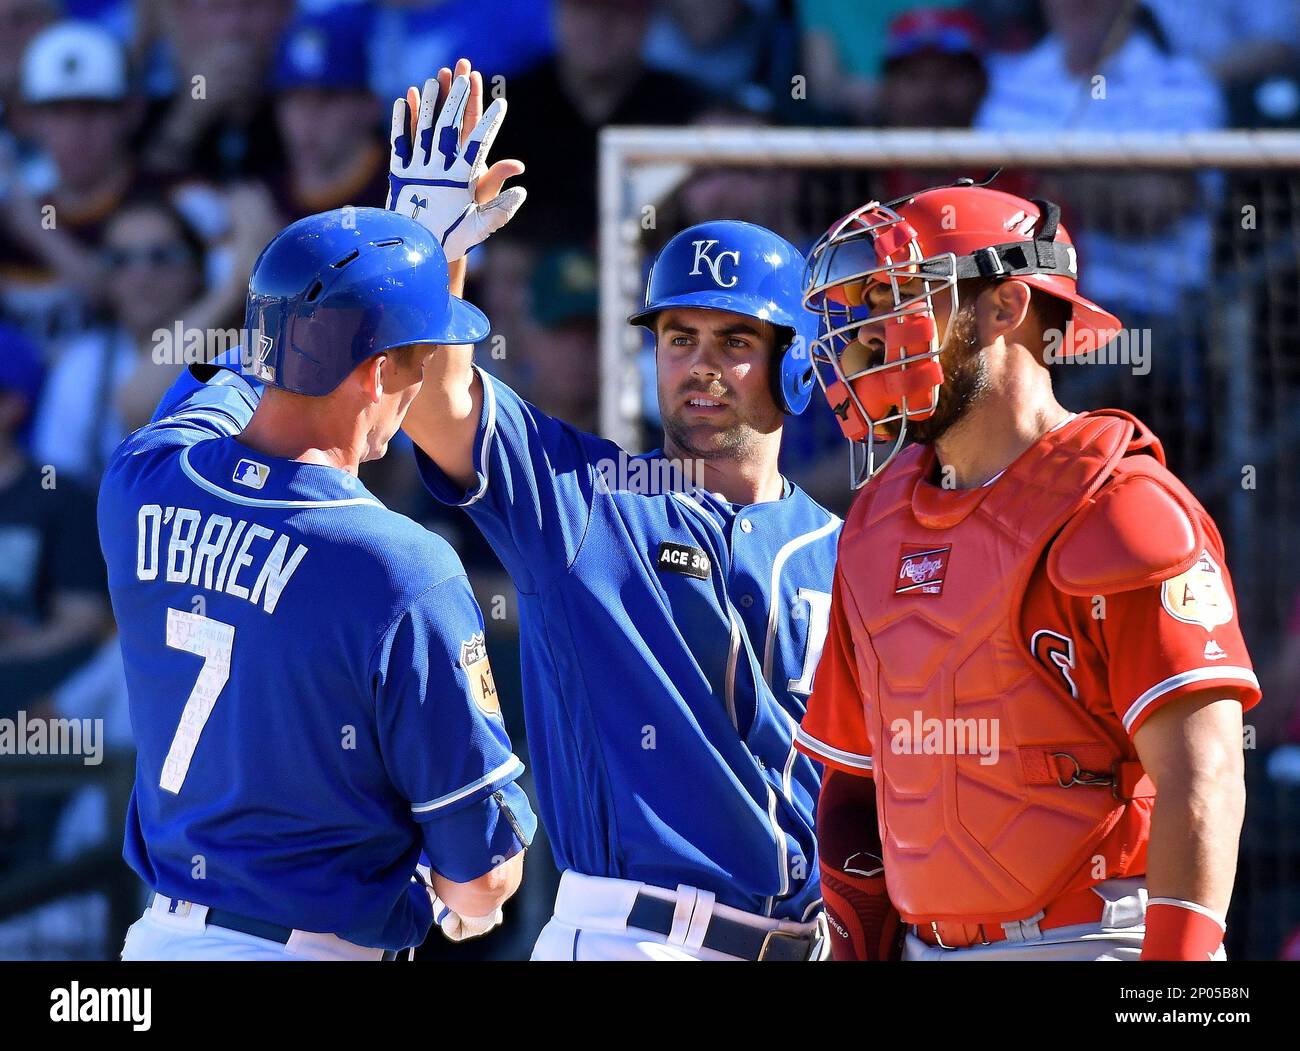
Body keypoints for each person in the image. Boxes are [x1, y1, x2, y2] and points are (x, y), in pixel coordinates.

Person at [390, 63, 840, 960]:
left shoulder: (844, 546)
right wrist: (427, 261)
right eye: (679, 338)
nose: (699, 364)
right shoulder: (584, 499)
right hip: (637, 936)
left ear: (796, 365)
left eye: (735, 339)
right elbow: (435, 399)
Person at [796, 183, 1260, 960]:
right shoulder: (874, 521)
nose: (864, 341)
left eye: (902, 297)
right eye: (864, 306)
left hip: (1093, 940)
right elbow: (855, 786)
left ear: (1005, 307)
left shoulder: (1119, 506)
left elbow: (1201, 776)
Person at [98, 207, 536, 961]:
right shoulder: (401, 564)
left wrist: (381, 271)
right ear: (374, 371)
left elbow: (239, 379)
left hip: (160, 940)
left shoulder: (143, 475)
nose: (425, 373)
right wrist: (449, 897)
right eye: (419, 354)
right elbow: (486, 874)